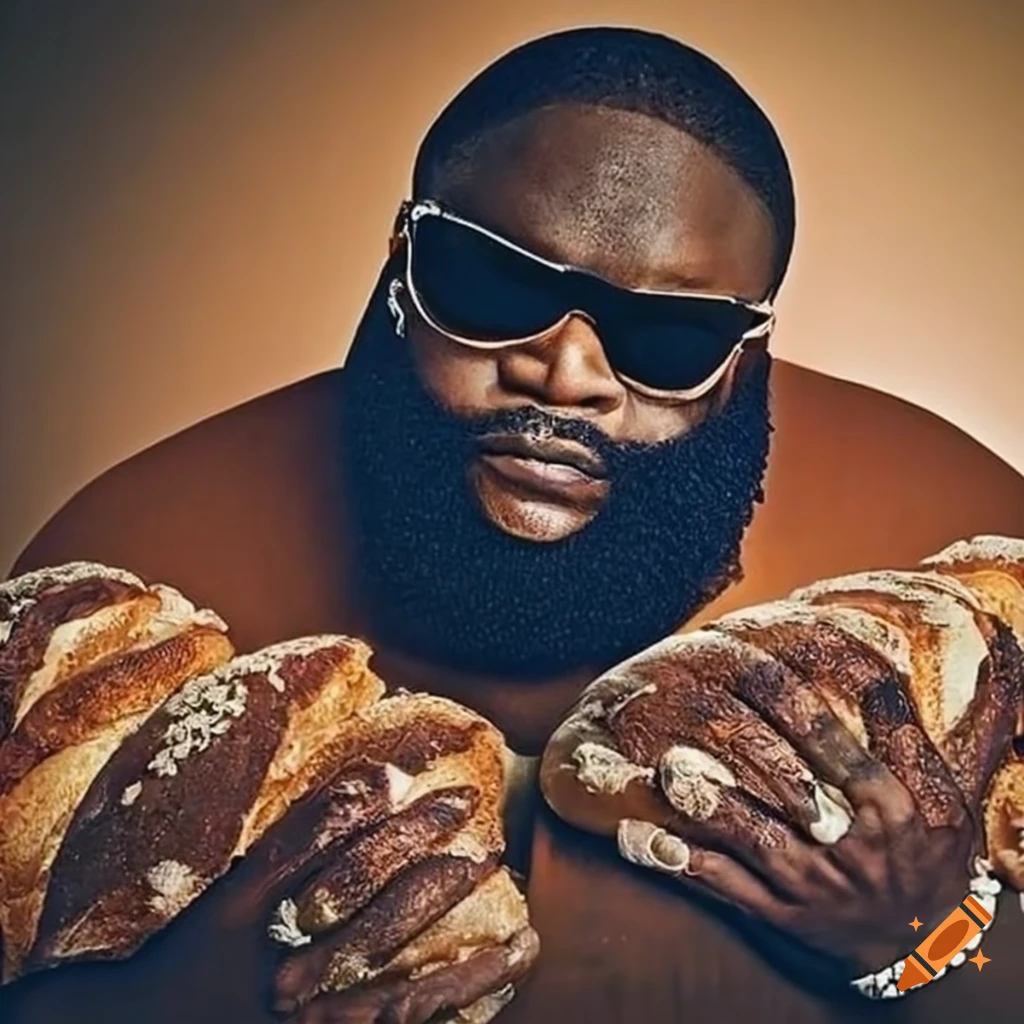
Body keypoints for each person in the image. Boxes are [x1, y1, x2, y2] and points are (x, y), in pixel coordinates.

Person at [4, 26, 1024, 1024]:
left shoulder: (946, 550)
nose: (565, 373)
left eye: (667, 334)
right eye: (495, 283)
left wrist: (935, 936)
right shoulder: (135, 573)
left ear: (745, 356)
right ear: (400, 263)